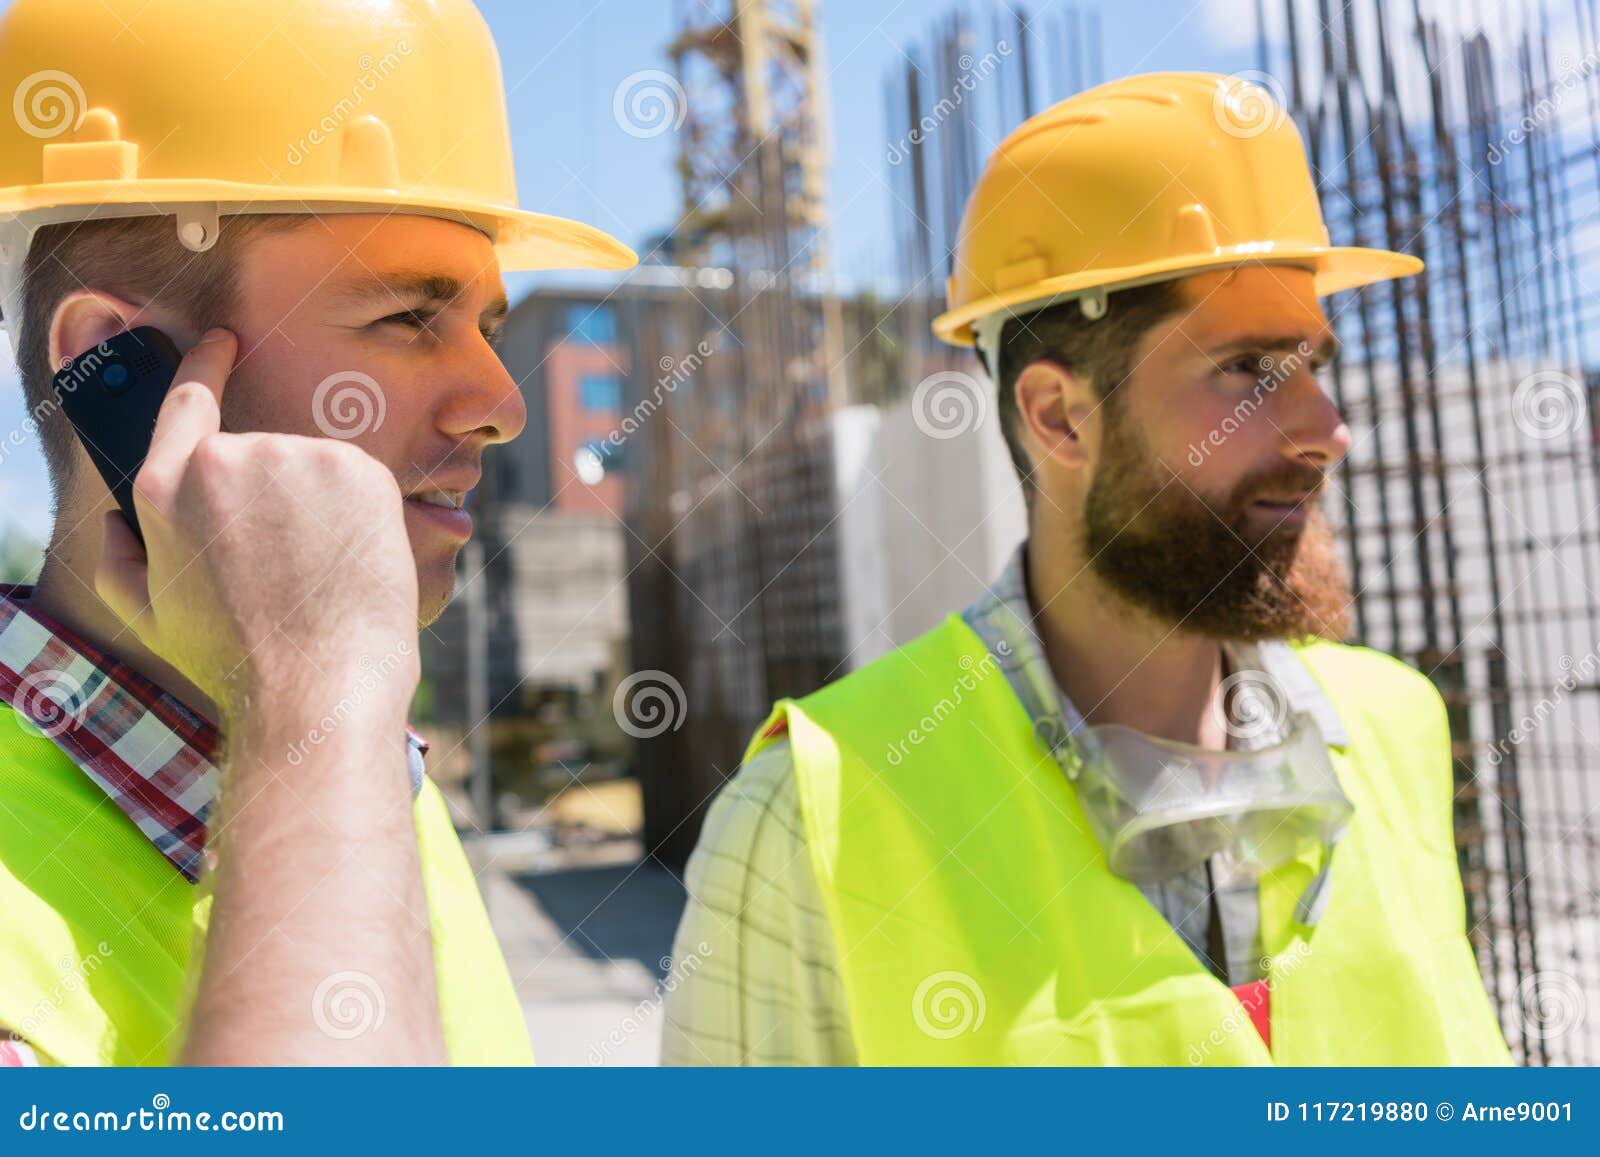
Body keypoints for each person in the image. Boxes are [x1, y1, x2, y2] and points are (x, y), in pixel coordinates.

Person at [662, 71, 1510, 1066]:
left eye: (1313, 365)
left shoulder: (1396, 725)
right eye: (1247, 370)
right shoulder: (812, 824)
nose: (1329, 429)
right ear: (1058, 416)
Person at [0, 0, 634, 1066]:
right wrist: (315, 713)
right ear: (118, 366)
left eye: (485, 326)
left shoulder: (367, 763)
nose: (500, 400)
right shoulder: (330, 734)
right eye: (405, 317)